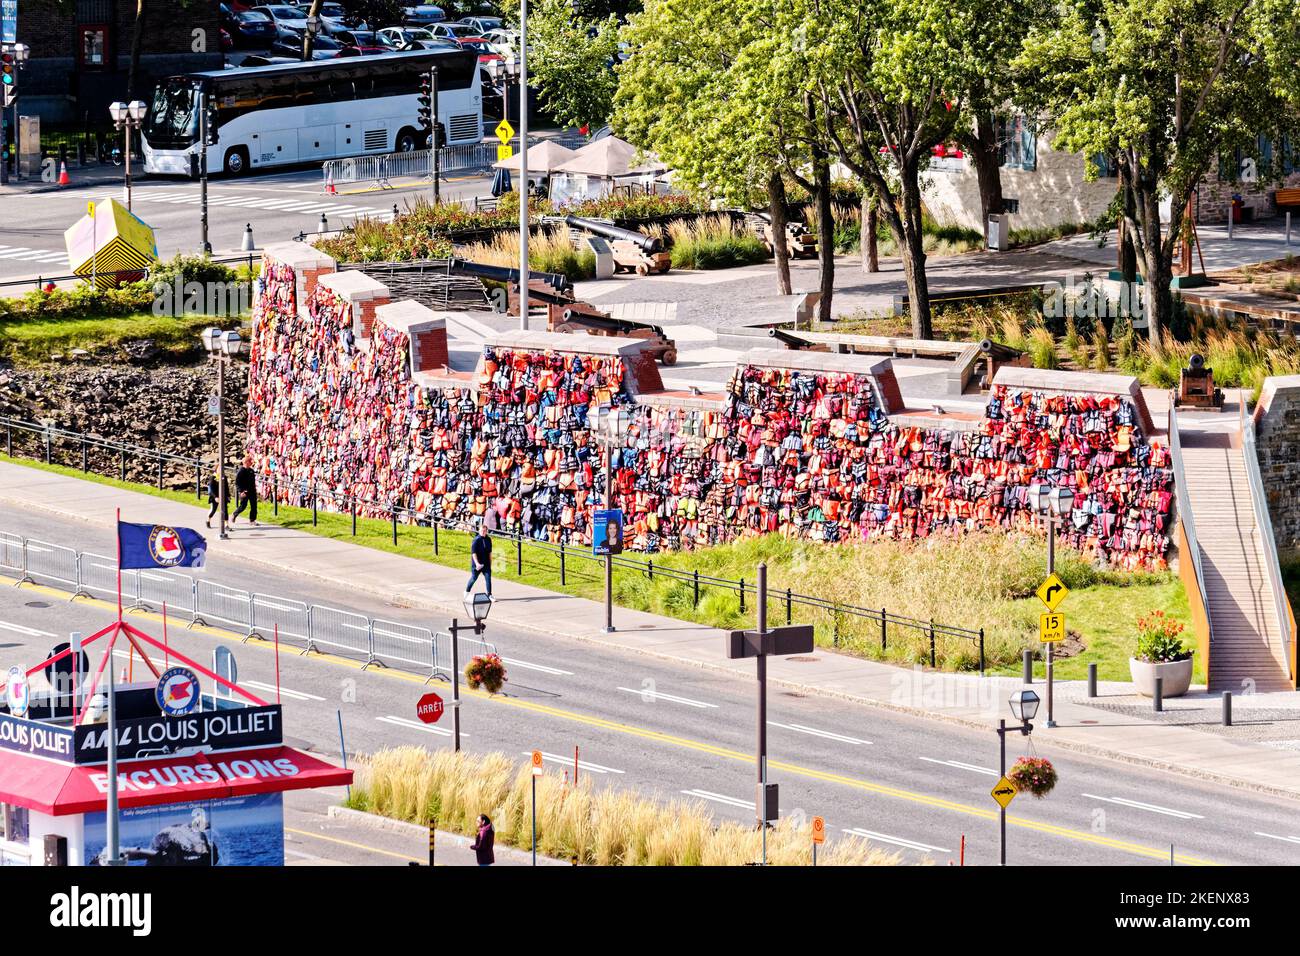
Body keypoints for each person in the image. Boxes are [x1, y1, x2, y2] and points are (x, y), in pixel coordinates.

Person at [466, 522, 493, 599]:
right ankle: (467, 591)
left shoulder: (488, 539)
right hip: (477, 564)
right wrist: (477, 564)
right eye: (481, 531)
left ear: (486, 531)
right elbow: (473, 553)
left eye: (484, 531)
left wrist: (490, 564)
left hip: (486, 563)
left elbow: (490, 553)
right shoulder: (476, 540)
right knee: (474, 578)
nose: (483, 532)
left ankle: (489, 595)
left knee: (488, 578)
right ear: (479, 531)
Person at [233, 458, 258, 526]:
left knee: (254, 506)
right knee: (243, 506)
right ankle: (235, 514)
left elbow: (253, 482)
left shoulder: (251, 471)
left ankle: (252, 520)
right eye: (250, 461)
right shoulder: (241, 471)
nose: (251, 462)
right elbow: (237, 482)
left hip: (252, 491)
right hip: (244, 491)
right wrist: (241, 491)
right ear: (246, 462)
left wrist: (255, 489)